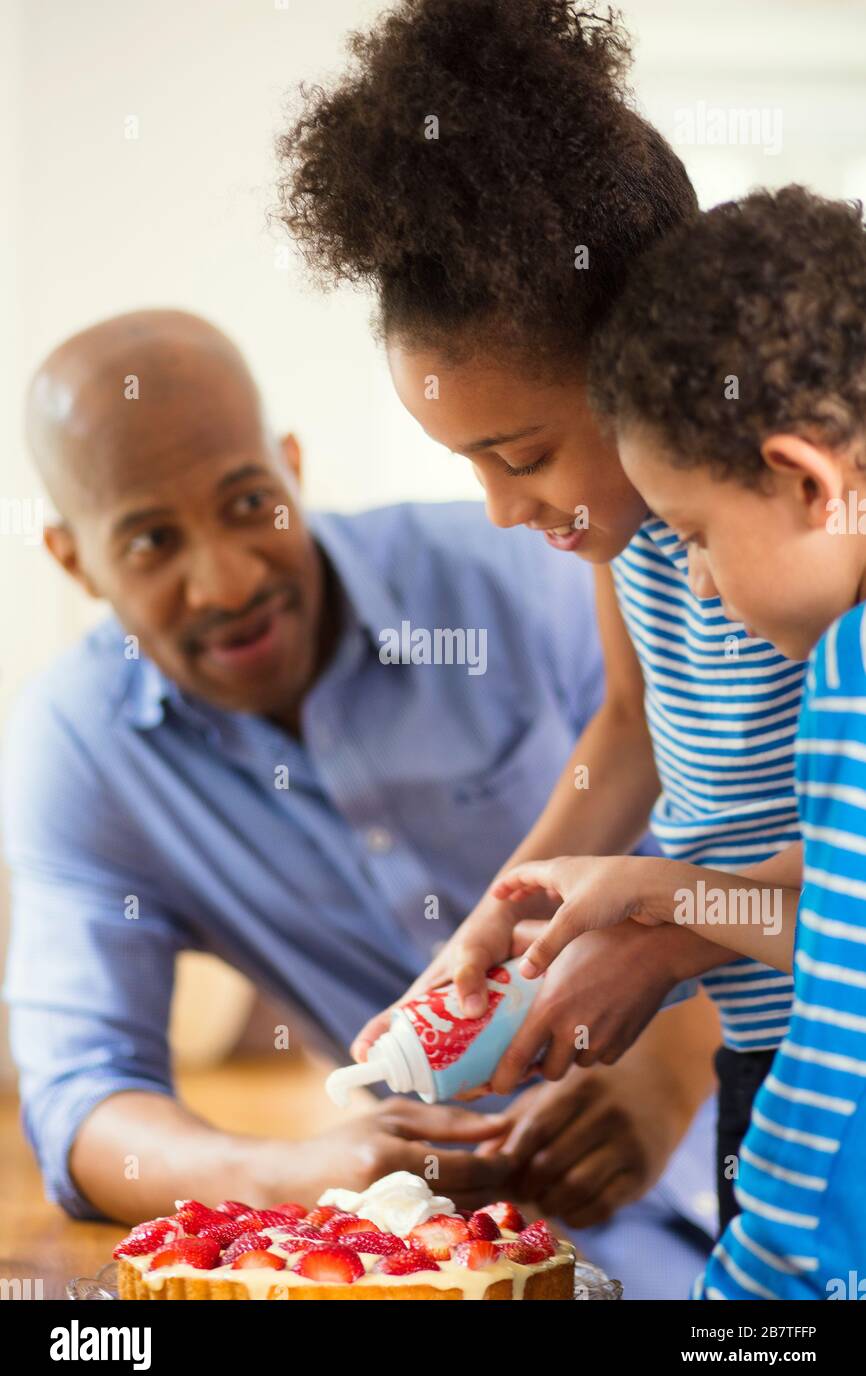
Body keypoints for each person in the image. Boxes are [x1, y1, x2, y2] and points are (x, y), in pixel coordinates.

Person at [1, 307, 718, 1297]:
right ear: (73, 558)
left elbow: (758, 826)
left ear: (291, 466)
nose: (225, 580)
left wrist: (669, 1068)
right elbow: (84, 1098)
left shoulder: (515, 569)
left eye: (249, 501)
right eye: (151, 540)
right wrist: (290, 1172)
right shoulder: (79, 752)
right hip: (463, 1266)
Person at [275, 0, 802, 1233]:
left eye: (519, 452)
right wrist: (492, 930)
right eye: (467, 464)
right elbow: (626, 725)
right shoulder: (620, 530)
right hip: (764, 1052)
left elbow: (837, 882)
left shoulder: (792, 559)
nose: (504, 510)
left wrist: (672, 927)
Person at [489, 185, 866, 1297]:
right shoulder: (837, 674)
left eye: (694, 536)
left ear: (805, 479)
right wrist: (658, 898)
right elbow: (831, 926)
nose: (690, 578)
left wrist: (742, 1294)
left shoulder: (842, 671)